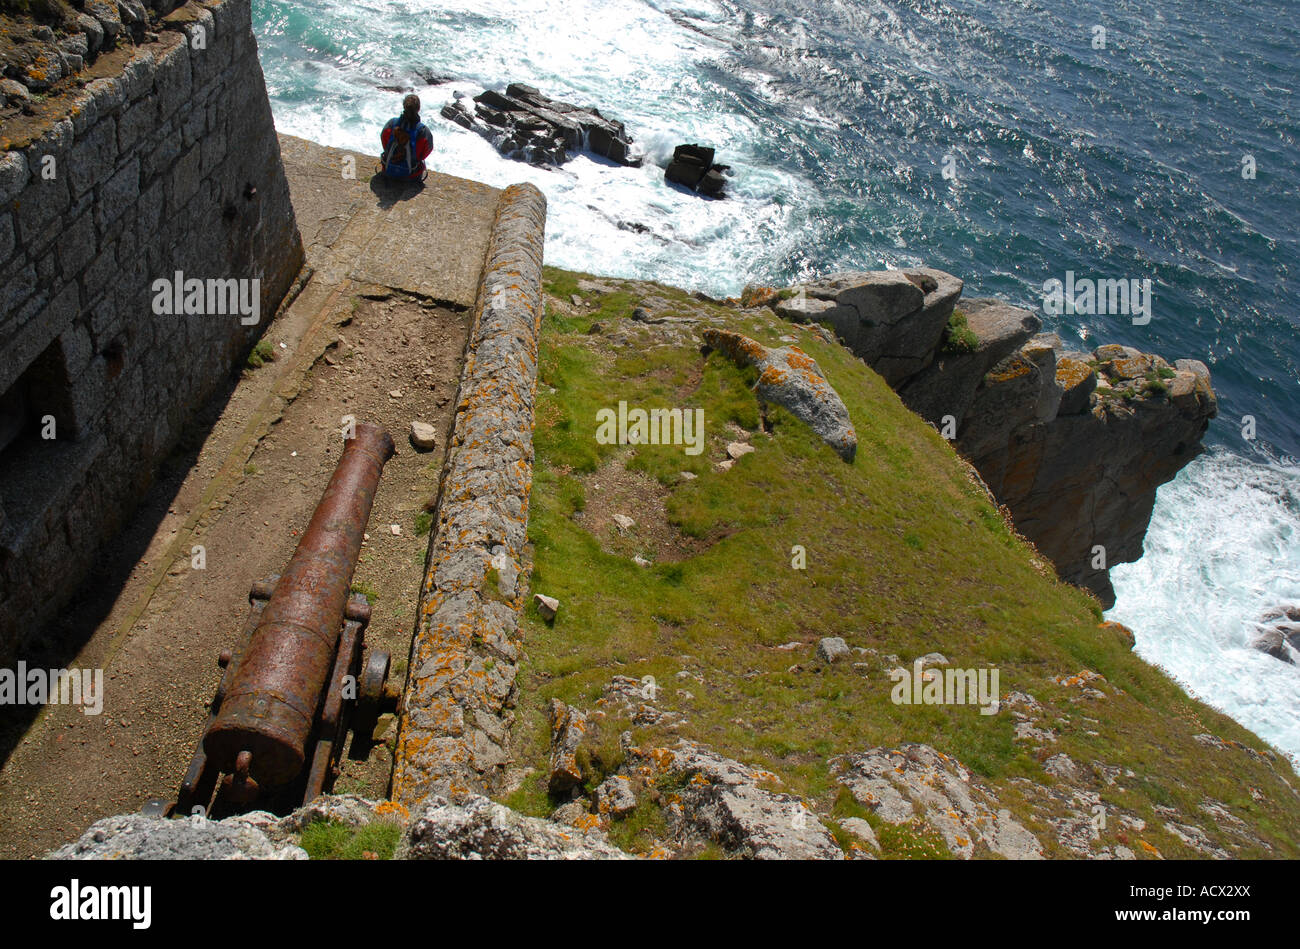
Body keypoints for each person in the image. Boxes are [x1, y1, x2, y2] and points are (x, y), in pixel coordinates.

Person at [380, 94, 433, 180]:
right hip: (411, 175)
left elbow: (385, 143)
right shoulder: (423, 131)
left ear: (404, 106)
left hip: (388, 171)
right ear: (418, 109)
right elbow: (425, 153)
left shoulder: (391, 124)